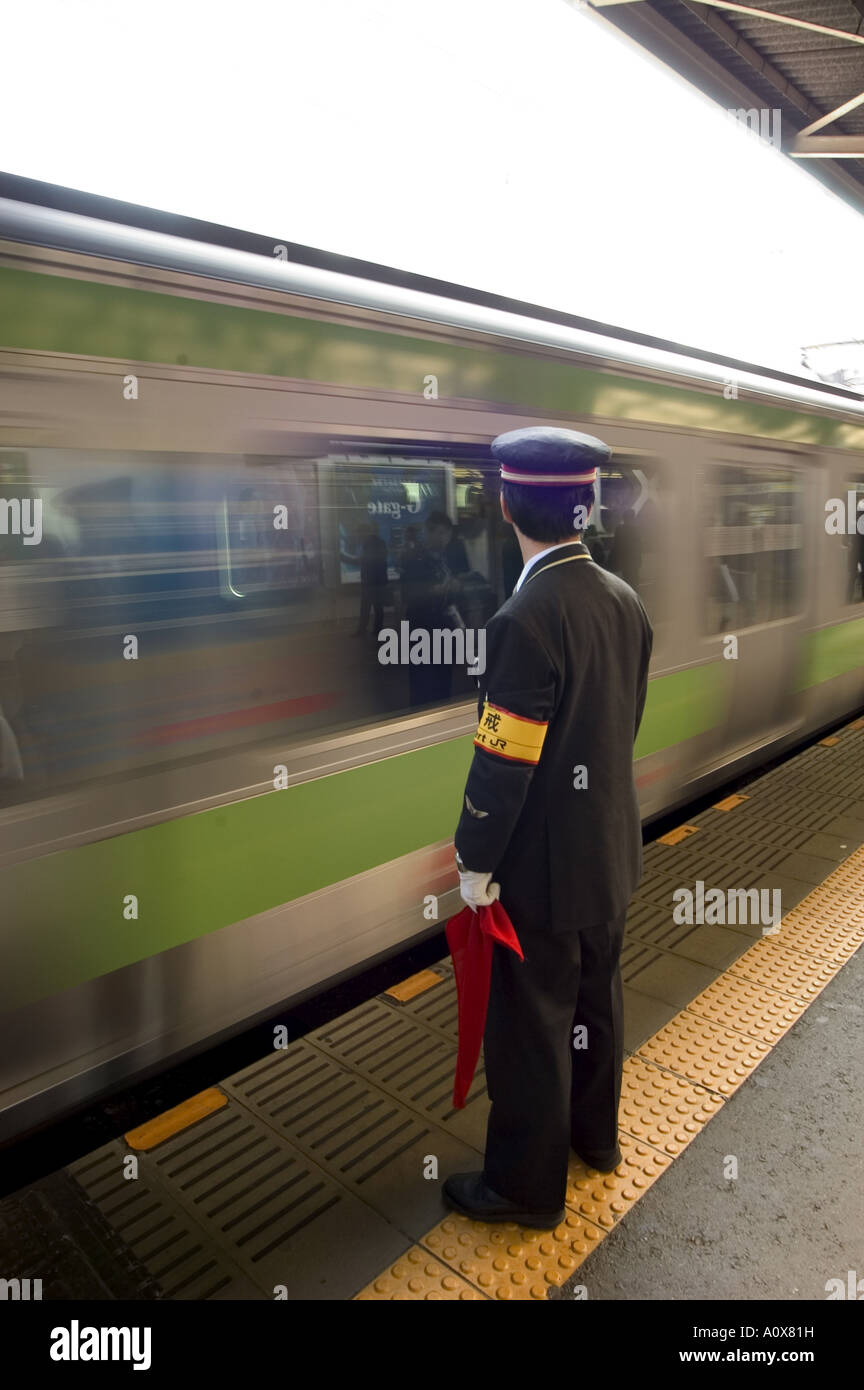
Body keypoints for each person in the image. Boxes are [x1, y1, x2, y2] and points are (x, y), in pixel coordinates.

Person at [443, 426, 653, 1229]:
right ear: (584, 504)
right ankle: (596, 1140)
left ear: (505, 503)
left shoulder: (523, 617)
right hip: (609, 851)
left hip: (543, 872)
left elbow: (505, 762)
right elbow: (621, 724)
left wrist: (474, 859)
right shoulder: (623, 598)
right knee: (596, 1002)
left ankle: (526, 1188)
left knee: (533, 1024)